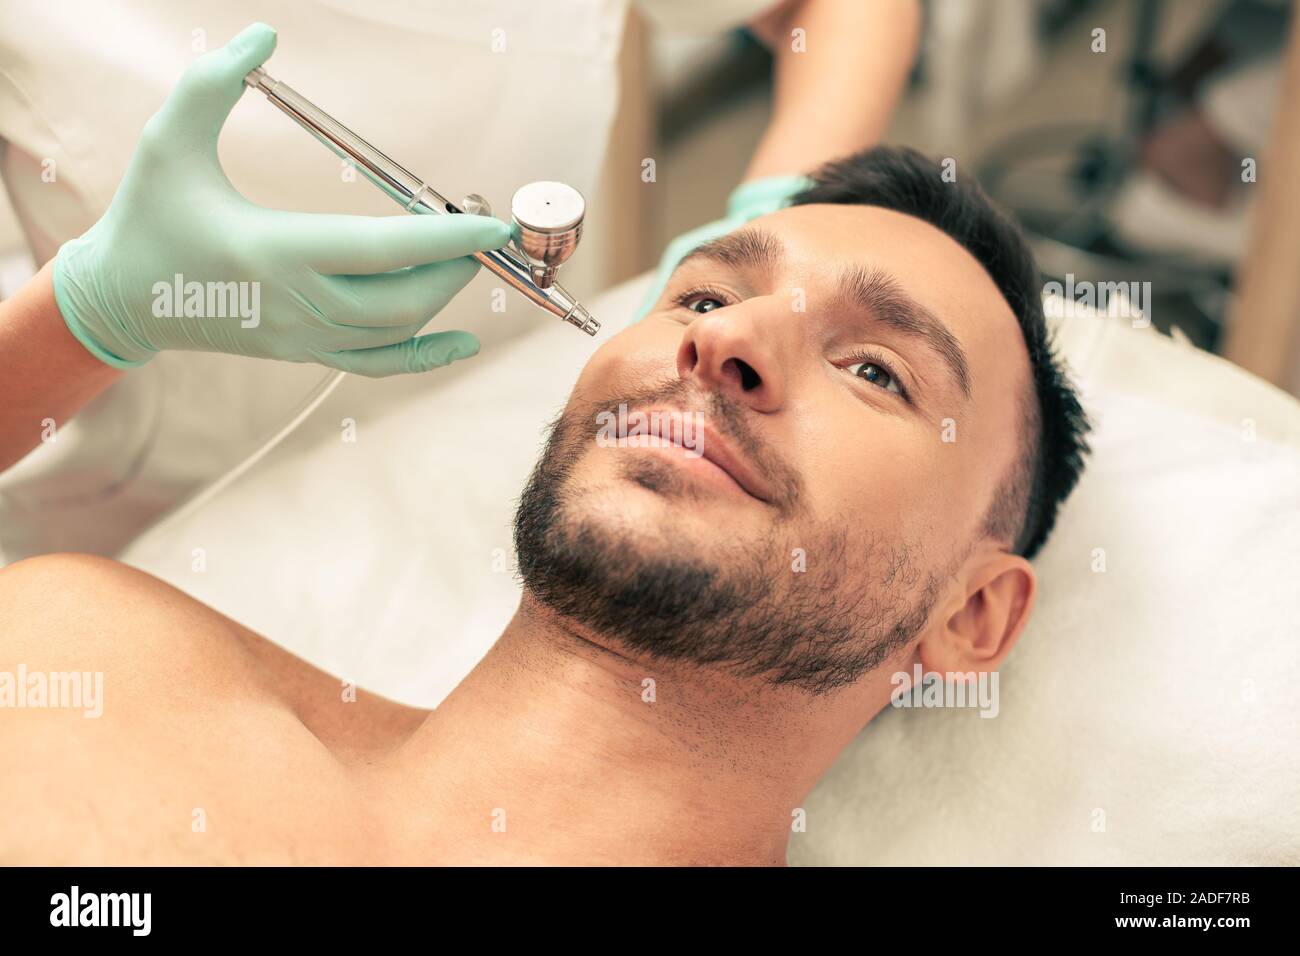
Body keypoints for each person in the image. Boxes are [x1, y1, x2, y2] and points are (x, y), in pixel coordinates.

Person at [0, 146, 1090, 865]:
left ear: (972, 617)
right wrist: (73, 320)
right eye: (705, 296)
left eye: (875, 370)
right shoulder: (85, 654)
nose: (724, 340)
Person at [0, 1, 923, 557]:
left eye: (880, 375)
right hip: (125, 537)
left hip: (497, 450)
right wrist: (99, 308)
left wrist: (769, 215)